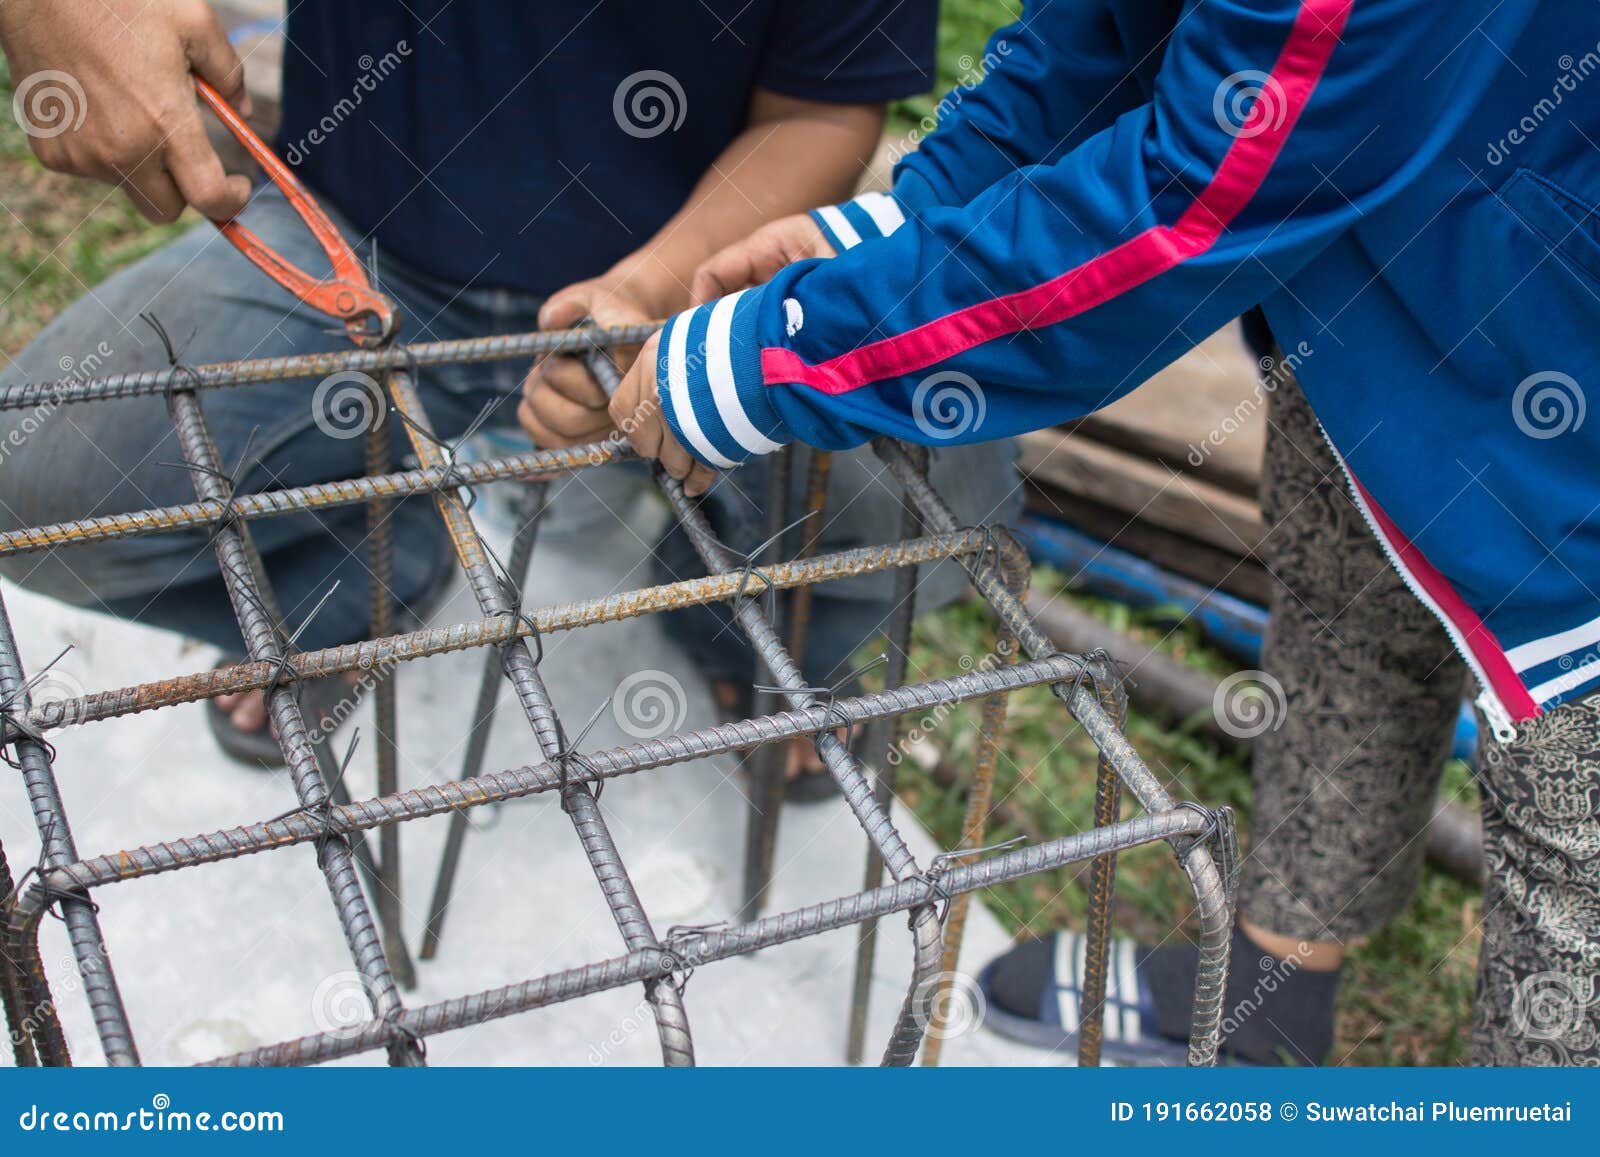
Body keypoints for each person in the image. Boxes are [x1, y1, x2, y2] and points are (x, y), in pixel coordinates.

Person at [569, 1, 1600, 1065]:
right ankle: (1269, 996)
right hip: (1386, 281)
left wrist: (785, 351)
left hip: (1564, 343)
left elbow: (1192, 204)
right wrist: (911, 219)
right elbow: (1114, 25)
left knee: (1577, 841)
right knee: (1348, 606)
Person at [0, 1, 1019, 784]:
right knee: (28, 484)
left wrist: (648, 296)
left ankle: (755, 627)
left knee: (947, 464)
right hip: (356, 239)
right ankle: (357, 588)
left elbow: (820, 108)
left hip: (693, 283)